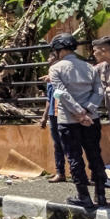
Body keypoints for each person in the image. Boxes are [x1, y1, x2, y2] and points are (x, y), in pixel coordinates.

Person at [49, 33, 108, 207]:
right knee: (95, 155)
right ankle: (101, 194)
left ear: (59, 50)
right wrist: (88, 111)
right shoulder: (90, 67)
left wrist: (78, 112)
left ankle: (84, 196)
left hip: (68, 120)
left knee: (74, 158)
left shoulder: (56, 69)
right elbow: (99, 91)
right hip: (91, 119)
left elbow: (61, 93)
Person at [40, 52, 67, 182]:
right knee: (57, 144)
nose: (48, 59)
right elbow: (49, 98)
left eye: (50, 56)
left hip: (63, 112)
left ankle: (76, 173)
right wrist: (44, 116)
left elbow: (62, 92)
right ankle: (59, 171)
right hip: (53, 113)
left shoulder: (61, 72)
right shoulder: (50, 75)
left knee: (68, 143)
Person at [93, 36, 110, 153]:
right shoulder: (104, 66)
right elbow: (85, 70)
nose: (93, 53)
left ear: (103, 50)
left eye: (95, 50)